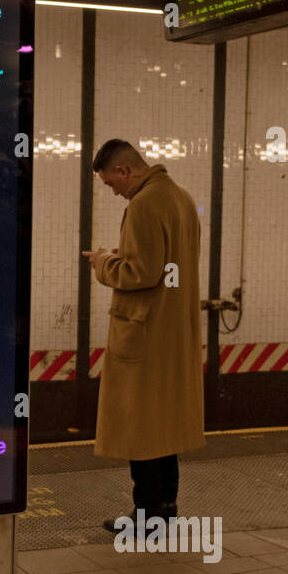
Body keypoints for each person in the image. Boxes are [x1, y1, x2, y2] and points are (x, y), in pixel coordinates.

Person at [82, 139, 204, 533]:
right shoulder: (181, 198)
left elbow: (140, 273)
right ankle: (166, 509)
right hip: (173, 332)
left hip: (144, 333)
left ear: (124, 171)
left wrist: (104, 263)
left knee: (140, 428)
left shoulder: (143, 204)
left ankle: (146, 515)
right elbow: (164, 263)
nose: (113, 191)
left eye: (110, 183)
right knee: (163, 427)